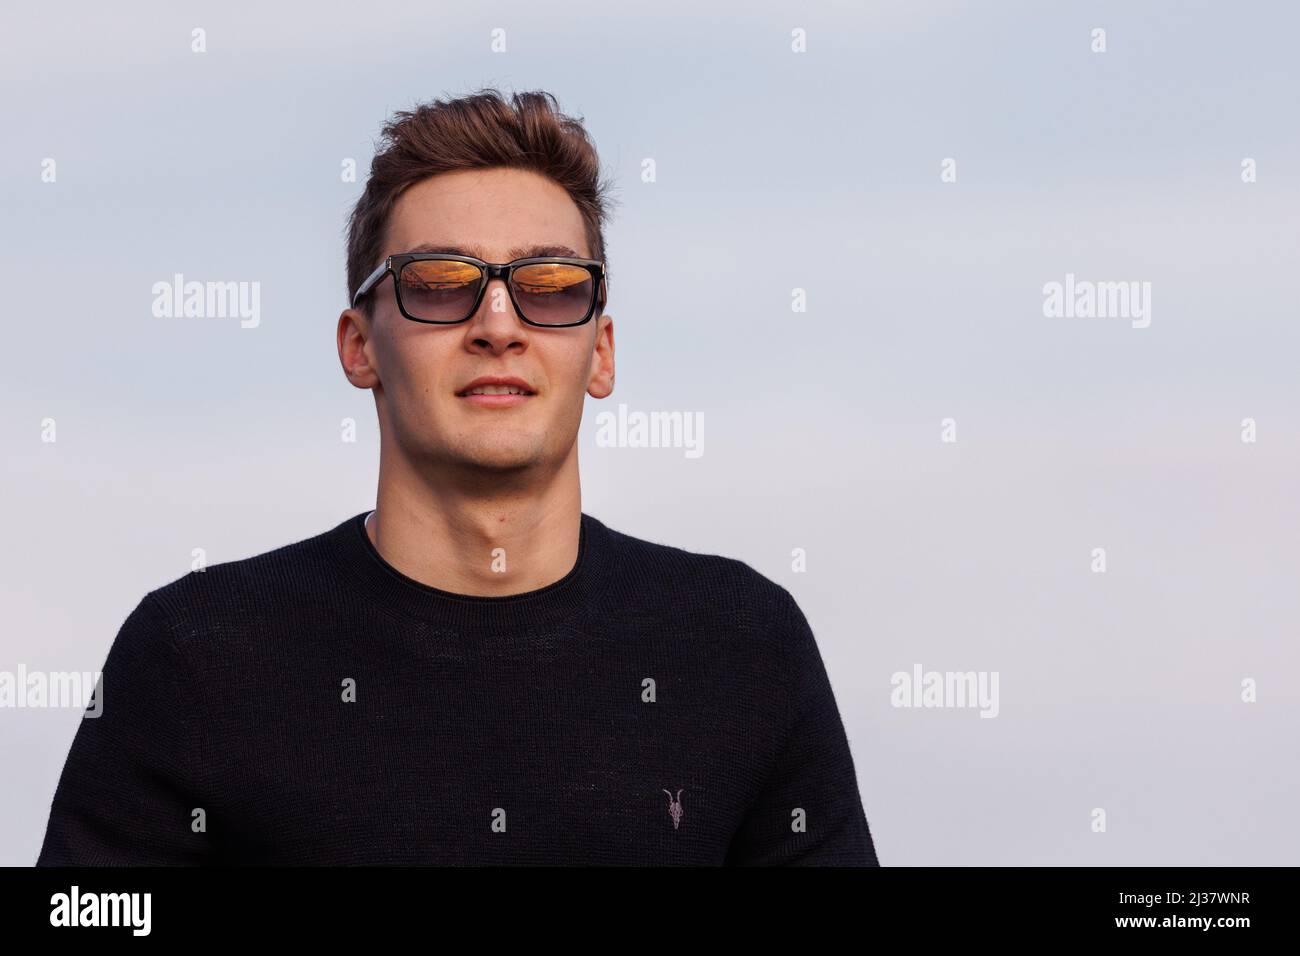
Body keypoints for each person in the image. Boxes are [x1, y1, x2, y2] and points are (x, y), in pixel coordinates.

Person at [36, 88, 878, 866]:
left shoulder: (741, 648)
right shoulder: (197, 656)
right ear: (358, 346)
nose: (498, 324)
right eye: (439, 285)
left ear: (602, 351)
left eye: (549, 287)